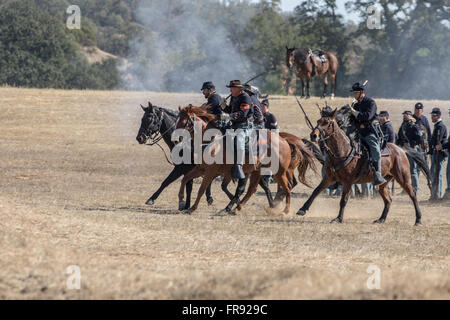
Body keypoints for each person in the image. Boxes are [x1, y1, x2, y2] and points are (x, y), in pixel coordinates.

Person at [349, 82, 386, 185]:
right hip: (358, 133)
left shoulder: (371, 102)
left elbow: (368, 116)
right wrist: (349, 112)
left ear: (362, 92)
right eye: (354, 93)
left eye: (356, 93)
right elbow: (353, 120)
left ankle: (377, 173)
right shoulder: (355, 104)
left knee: (375, 149)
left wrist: (355, 112)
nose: (354, 95)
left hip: (369, 131)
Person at [222, 80, 253, 180]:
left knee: (240, 144)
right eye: (230, 88)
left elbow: (243, 113)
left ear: (239, 89)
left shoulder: (245, 97)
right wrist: (224, 106)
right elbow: (230, 110)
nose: (230, 90)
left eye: (232, 88)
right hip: (233, 126)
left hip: (243, 126)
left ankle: (239, 166)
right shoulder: (233, 97)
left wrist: (228, 116)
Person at [396, 110, 424, 194]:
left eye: (406, 115)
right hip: (403, 150)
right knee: (404, 170)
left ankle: (415, 189)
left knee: (413, 170)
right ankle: (406, 188)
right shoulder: (403, 126)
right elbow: (399, 137)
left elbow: (419, 138)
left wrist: (411, 144)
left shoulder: (414, 126)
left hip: (412, 150)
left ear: (410, 116)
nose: (404, 116)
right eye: (404, 115)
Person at [429, 107, 448, 201]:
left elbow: (439, 141)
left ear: (438, 116)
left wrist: (436, 147)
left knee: (438, 174)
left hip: (439, 153)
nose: (432, 117)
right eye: (432, 115)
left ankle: (438, 194)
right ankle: (434, 194)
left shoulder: (440, 126)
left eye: (434, 116)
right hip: (435, 153)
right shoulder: (437, 125)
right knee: (434, 173)